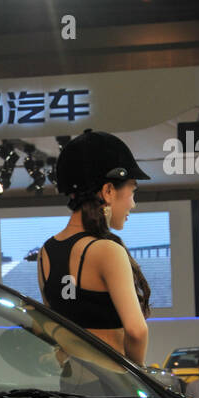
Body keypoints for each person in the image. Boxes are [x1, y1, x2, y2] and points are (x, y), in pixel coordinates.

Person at [37, 129, 151, 364]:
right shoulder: (107, 250)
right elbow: (136, 331)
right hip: (113, 392)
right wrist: (139, 380)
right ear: (109, 191)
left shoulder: (46, 252)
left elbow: (55, 329)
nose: (133, 204)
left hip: (70, 388)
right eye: (132, 190)